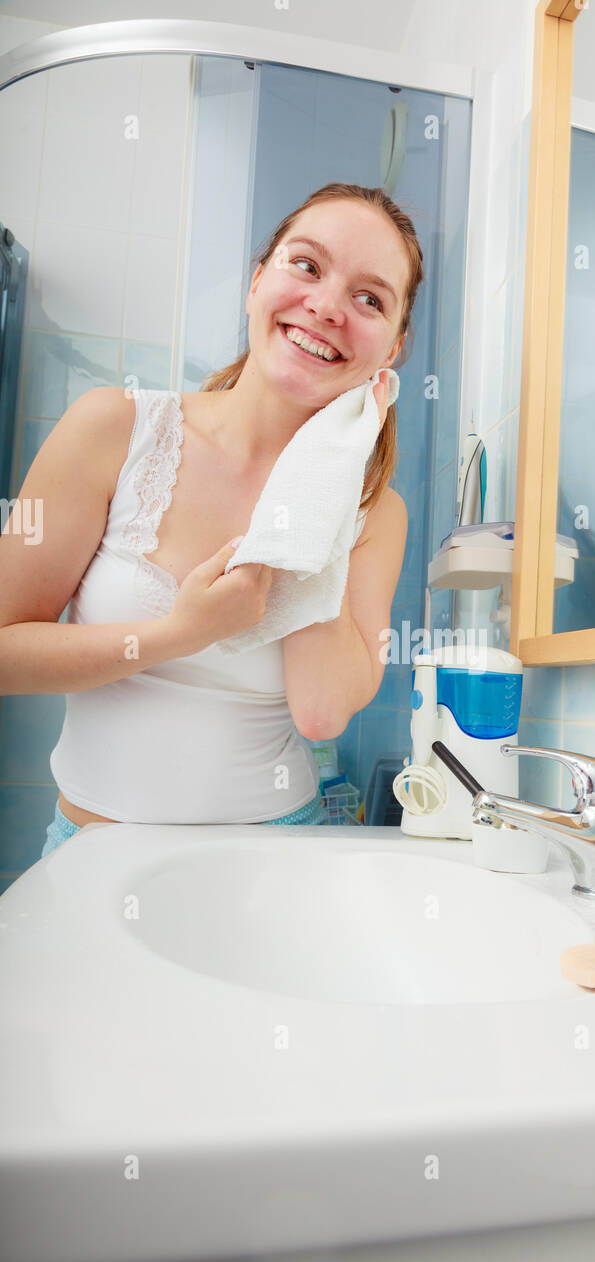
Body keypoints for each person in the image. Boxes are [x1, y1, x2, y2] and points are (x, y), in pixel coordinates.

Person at [0, 183, 422, 856]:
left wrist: (324, 477)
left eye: (369, 299)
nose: (326, 306)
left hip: (276, 856)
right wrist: (179, 633)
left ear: (392, 350)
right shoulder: (115, 427)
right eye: (307, 266)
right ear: (258, 283)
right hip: (96, 851)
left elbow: (321, 710)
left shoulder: (377, 512)